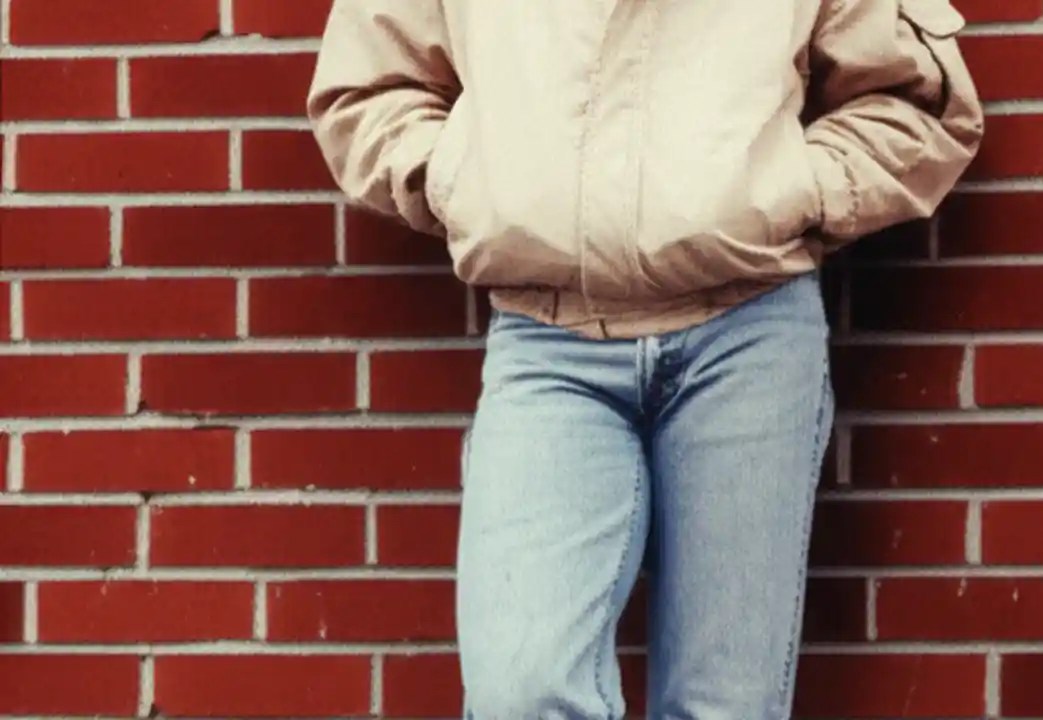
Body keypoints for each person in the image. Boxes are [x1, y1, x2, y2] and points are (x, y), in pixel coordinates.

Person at [308, 0, 982, 716]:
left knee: (724, 706)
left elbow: (915, 101)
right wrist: (461, 180)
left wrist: (790, 190)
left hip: (747, 335)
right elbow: (368, 90)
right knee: (521, 691)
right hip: (548, 338)